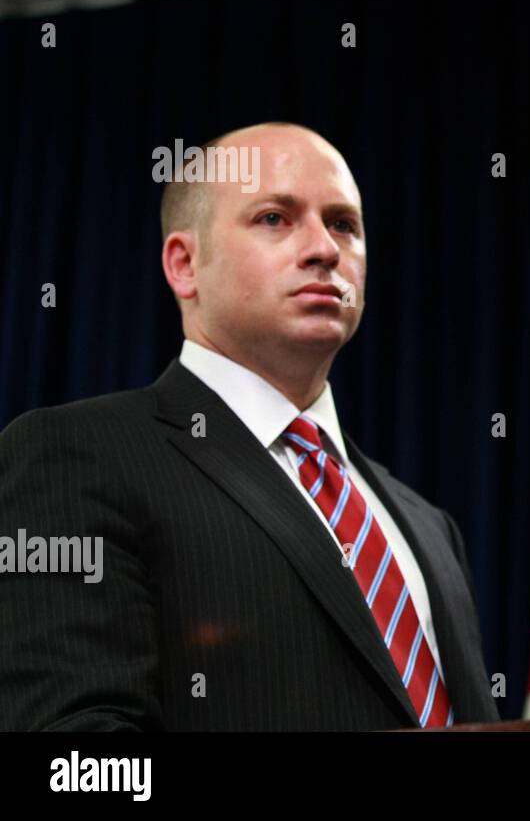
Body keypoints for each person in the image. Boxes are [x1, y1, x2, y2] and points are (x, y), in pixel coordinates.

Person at [0, 123, 498, 729]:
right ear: (185, 265)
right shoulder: (75, 456)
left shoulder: (428, 525)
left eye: (344, 224)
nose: (325, 250)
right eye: (274, 218)